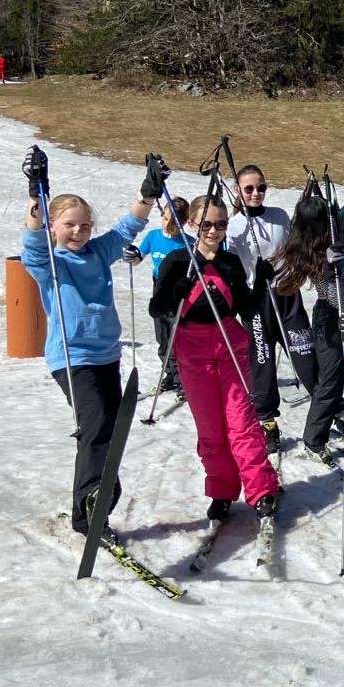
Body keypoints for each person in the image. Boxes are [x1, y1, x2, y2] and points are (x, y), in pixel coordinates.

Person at [18, 146, 156, 536]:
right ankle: (91, 502)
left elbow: (128, 227)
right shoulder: (49, 262)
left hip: (106, 355)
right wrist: (35, 193)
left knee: (110, 431)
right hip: (72, 358)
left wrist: (147, 193)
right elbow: (32, 241)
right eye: (69, 225)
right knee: (95, 425)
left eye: (84, 226)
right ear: (53, 227)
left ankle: (95, 504)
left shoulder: (97, 252)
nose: (78, 232)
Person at [149, 195, 281, 539]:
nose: (213, 230)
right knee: (211, 429)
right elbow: (157, 308)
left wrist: (260, 283)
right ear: (192, 224)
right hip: (192, 349)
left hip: (229, 345)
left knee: (242, 423)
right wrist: (176, 289)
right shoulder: (179, 261)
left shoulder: (229, 262)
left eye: (220, 224)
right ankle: (222, 490)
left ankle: (262, 490)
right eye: (206, 224)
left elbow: (247, 309)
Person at [227, 164, 317, 448]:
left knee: (304, 352)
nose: (256, 193)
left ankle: (327, 408)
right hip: (256, 299)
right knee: (262, 360)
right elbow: (232, 268)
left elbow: (293, 246)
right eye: (249, 189)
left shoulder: (279, 215)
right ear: (238, 190)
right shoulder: (234, 227)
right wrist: (254, 274)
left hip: (287, 294)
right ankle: (266, 420)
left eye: (261, 187)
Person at [274, 193, 344, 467]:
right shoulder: (310, 250)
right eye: (327, 218)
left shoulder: (337, 238)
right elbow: (331, 296)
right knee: (331, 379)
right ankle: (314, 440)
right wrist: (327, 269)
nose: (332, 221)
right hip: (329, 316)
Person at [126, 195, 190, 394]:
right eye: (165, 218)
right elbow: (138, 258)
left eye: (174, 221)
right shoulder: (153, 236)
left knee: (176, 335)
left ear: (184, 222)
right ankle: (169, 373)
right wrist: (131, 255)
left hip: (178, 292)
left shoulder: (187, 243)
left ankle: (182, 378)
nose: (168, 224)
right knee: (162, 334)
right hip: (159, 288)